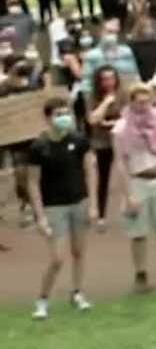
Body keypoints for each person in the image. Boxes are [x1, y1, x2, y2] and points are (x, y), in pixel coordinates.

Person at [28, 96, 97, 319]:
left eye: (66, 113)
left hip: (79, 202)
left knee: (79, 252)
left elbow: (90, 171)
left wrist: (94, 204)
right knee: (57, 258)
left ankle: (77, 292)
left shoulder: (79, 140)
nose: (64, 118)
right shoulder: (39, 146)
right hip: (53, 207)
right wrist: (40, 216)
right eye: (58, 114)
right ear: (48, 118)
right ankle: (42, 299)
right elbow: (32, 182)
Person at [112, 82, 156, 292]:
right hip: (138, 181)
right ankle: (141, 274)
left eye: (147, 100)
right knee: (138, 232)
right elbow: (120, 162)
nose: (145, 105)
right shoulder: (121, 128)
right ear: (131, 102)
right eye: (139, 101)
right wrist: (128, 194)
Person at [86, 66, 124, 231]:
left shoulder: (123, 95)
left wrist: (109, 123)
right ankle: (101, 215)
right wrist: (106, 102)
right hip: (102, 141)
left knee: (127, 174)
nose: (109, 82)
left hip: (122, 139)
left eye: (112, 78)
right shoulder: (91, 96)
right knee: (103, 178)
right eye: (105, 79)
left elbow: (128, 117)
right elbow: (93, 120)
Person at [79, 19, 140, 95]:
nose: (112, 35)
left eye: (115, 32)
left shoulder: (126, 51)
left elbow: (135, 75)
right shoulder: (92, 55)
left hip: (126, 93)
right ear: (101, 32)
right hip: (100, 95)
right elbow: (86, 82)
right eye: (109, 32)